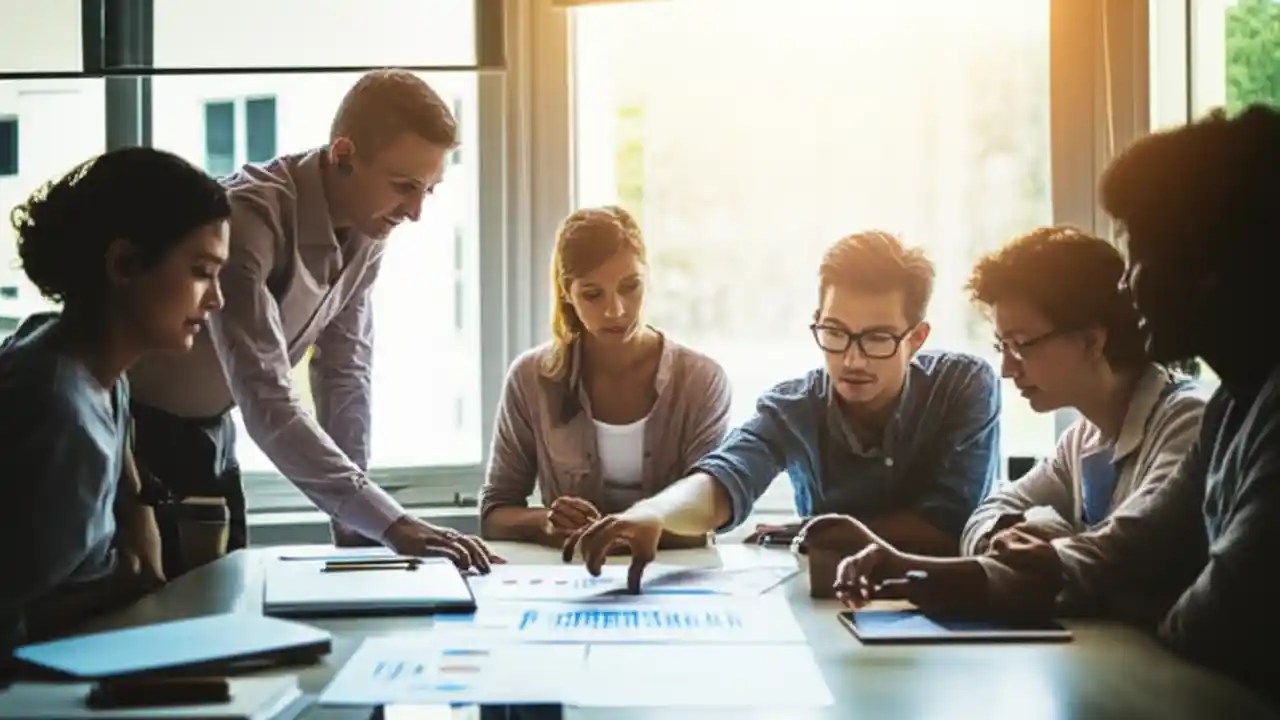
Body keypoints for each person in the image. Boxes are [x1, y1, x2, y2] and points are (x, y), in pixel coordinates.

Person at [830, 105, 1280, 701]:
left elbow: (1213, 620)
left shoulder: (1210, 415)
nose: (1126, 285)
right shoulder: (1231, 407)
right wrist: (913, 567)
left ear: (1212, 268)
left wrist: (1111, 590)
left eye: (1143, 253)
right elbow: (1128, 550)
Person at [126, 69, 499, 577]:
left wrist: (358, 525)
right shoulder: (245, 218)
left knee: (217, 608)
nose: (414, 212)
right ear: (343, 154)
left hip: (212, 433)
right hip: (130, 437)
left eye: (428, 190)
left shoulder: (369, 232)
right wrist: (390, 522)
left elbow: (345, 374)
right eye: (403, 186)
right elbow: (267, 396)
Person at [563, 230, 1001, 589]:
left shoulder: (964, 386)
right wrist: (653, 513)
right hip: (835, 598)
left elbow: (949, 524)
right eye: (835, 332)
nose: (852, 360)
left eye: (878, 338)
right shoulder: (793, 407)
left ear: (917, 337)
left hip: (947, 601)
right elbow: (725, 476)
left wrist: (815, 529)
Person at [1, 147, 231, 651]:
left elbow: (130, 502)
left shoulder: (95, 368)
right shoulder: (57, 411)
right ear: (124, 264)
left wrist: (137, 532)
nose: (216, 299)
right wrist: (127, 580)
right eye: (200, 271)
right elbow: (16, 616)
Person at [480, 206, 731, 547]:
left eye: (630, 287)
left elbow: (707, 514)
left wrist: (628, 530)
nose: (616, 310)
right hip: (570, 579)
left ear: (649, 277)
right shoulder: (531, 379)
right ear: (567, 293)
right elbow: (495, 513)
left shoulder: (701, 381)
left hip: (674, 576)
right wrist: (546, 524)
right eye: (593, 294)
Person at [959, 227, 1206, 557]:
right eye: (1001, 346)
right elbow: (990, 512)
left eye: (1020, 345)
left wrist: (1044, 550)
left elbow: (1131, 551)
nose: (1006, 369)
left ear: (1091, 341)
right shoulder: (1082, 440)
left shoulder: (1188, 422)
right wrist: (1004, 536)